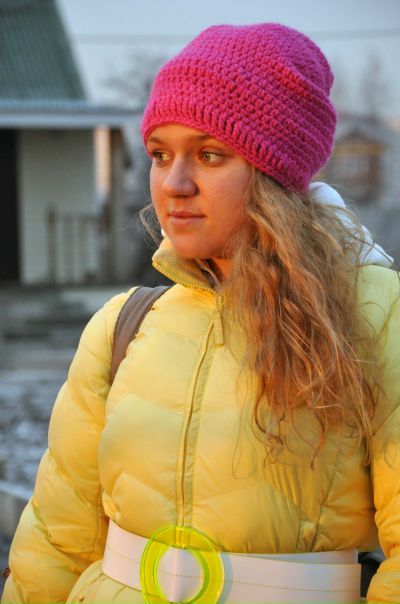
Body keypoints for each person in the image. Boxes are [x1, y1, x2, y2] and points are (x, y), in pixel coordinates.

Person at [2, 22, 399, 604]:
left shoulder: (373, 316)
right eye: (160, 155)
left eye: (210, 155)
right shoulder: (122, 327)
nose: (175, 183)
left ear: (275, 174)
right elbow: (56, 546)